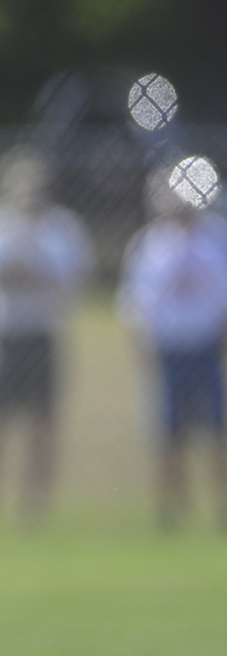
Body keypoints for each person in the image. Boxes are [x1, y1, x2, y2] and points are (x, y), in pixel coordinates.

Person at [0, 148, 92, 530]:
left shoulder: (63, 228)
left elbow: (71, 282)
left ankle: (34, 512)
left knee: (41, 425)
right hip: (0, 337)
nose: (28, 195)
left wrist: (31, 269)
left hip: (42, 335)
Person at [119, 167, 227, 529]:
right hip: (168, 352)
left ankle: (220, 508)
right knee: (168, 435)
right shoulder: (150, 244)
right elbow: (135, 304)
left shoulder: (217, 237)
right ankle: (171, 512)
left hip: (207, 349)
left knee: (217, 432)